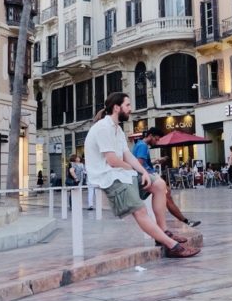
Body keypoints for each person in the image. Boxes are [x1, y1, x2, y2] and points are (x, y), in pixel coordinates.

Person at [84, 93, 199, 258]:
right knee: (141, 210)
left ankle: (163, 231)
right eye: (128, 105)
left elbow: (127, 155)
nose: (131, 109)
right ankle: (171, 246)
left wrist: (143, 171)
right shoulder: (103, 128)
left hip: (122, 172)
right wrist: (133, 170)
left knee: (159, 185)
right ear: (117, 107)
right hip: (108, 177)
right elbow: (112, 160)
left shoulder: (117, 129)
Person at [134, 127, 201, 228]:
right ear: (150, 135)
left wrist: (155, 161)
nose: (156, 142)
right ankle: (182, 222)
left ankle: (183, 221)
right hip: (147, 177)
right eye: (156, 139)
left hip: (148, 176)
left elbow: (141, 163)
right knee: (166, 196)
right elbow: (138, 164)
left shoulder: (139, 144)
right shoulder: (143, 146)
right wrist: (150, 177)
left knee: (167, 195)